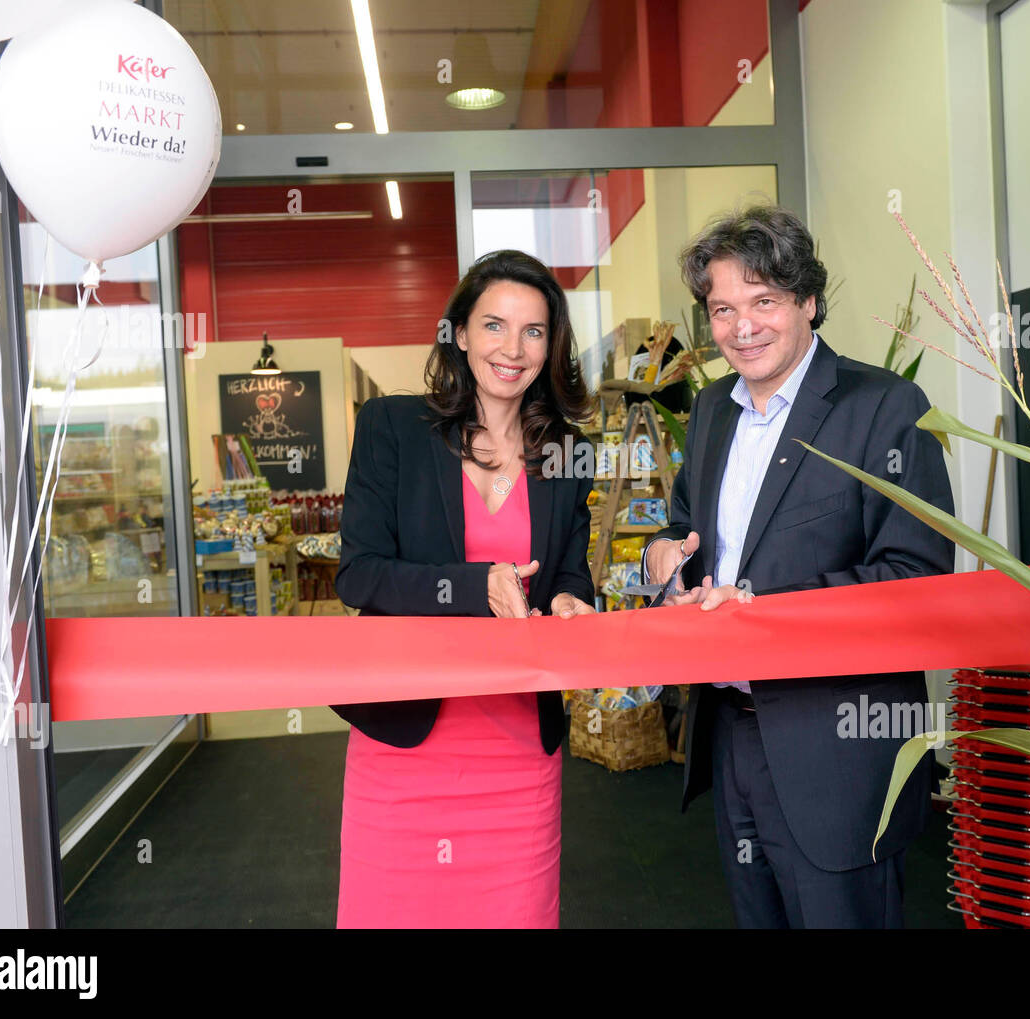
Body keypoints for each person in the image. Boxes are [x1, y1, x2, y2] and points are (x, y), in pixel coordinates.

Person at [642, 205, 955, 928]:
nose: (741, 327)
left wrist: (754, 604)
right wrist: (667, 555)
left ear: (808, 302)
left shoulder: (884, 408)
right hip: (733, 734)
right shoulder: (715, 408)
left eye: (763, 302)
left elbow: (915, 578)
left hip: (837, 746)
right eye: (723, 309)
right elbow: (691, 528)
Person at [333, 249, 597, 928]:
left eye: (534, 330)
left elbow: (569, 572)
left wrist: (573, 602)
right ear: (458, 333)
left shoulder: (569, 450)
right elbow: (360, 572)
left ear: (552, 343)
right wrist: (476, 586)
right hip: (406, 739)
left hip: (516, 746)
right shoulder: (393, 428)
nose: (513, 348)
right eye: (494, 325)